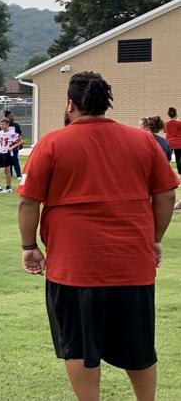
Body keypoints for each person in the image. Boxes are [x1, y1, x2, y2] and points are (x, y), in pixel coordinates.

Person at [17, 71, 177, 401]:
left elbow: (28, 201)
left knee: (78, 347)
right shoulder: (143, 141)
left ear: (70, 104)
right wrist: (155, 239)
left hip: (75, 267)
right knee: (138, 345)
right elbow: (165, 195)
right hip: (132, 263)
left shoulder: (52, 143)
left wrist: (29, 246)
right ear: (106, 104)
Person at [0, 118, 22, 193]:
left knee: (6, 170)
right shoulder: (0, 132)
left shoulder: (12, 133)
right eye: (0, 124)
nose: (1, 126)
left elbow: (20, 141)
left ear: (7, 124)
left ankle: (8, 187)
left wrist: (12, 147)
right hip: (0, 152)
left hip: (7, 153)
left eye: (3, 124)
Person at [4, 110, 23, 179]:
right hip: (6, 145)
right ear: (7, 117)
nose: (13, 117)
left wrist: (20, 144)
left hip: (14, 145)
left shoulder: (16, 125)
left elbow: (19, 134)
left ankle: (18, 175)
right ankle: (10, 174)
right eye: (11, 116)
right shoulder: (4, 125)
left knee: (15, 159)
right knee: (8, 161)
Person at [167, 107, 181, 174]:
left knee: (167, 159)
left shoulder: (166, 123)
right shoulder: (179, 123)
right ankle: (180, 173)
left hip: (169, 142)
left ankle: (167, 172)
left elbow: (165, 131)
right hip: (178, 143)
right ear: (176, 114)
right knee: (178, 158)